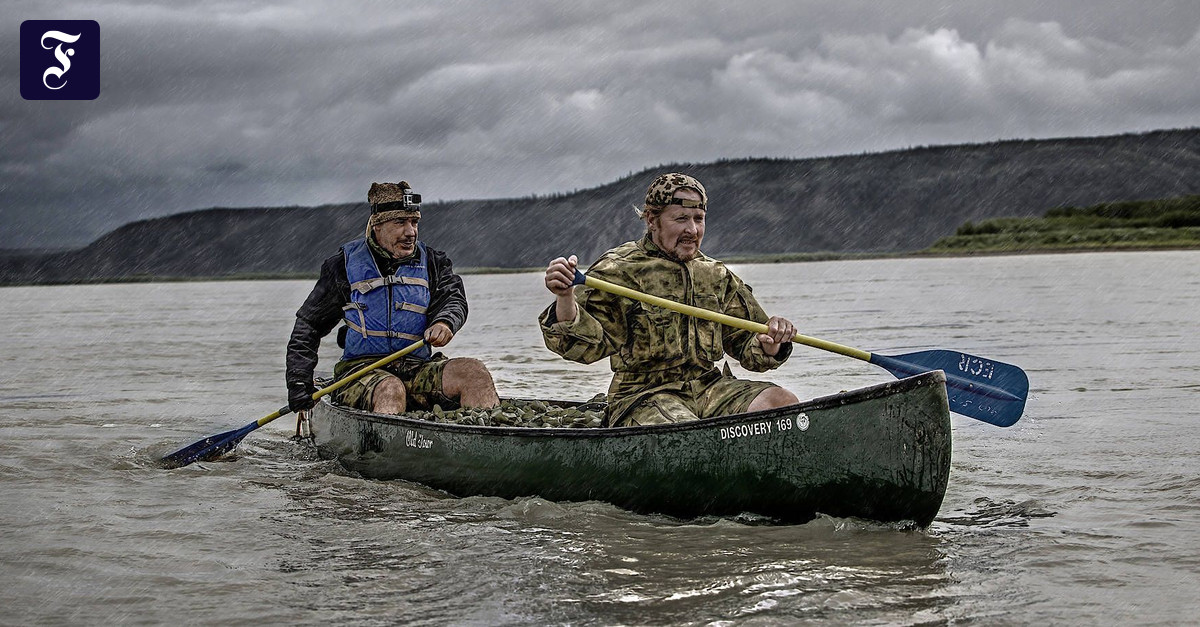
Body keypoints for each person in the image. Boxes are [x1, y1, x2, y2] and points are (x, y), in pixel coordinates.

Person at [540, 172, 800, 427]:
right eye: (681, 219)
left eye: (699, 219)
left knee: (783, 403)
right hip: (643, 398)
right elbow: (580, 348)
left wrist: (771, 344)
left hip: (710, 388)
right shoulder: (618, 270)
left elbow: (747, 346)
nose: (692, 229)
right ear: (652, 220)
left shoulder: (716, 274)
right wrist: (565, 297)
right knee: (686, 431)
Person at [286, 180, 499, 415]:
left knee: (474, 373)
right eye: (400, 223)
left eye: (414, 222)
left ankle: (484, 440)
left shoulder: (433, 262)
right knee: (390, 389)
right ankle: (390, 449)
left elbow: (453, 299)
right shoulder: (343, 265)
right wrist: (298, 382)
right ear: (377, 225)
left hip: (417, 368)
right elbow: (308, 326)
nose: (410, 232)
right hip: (360, 372)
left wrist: (445, 321)